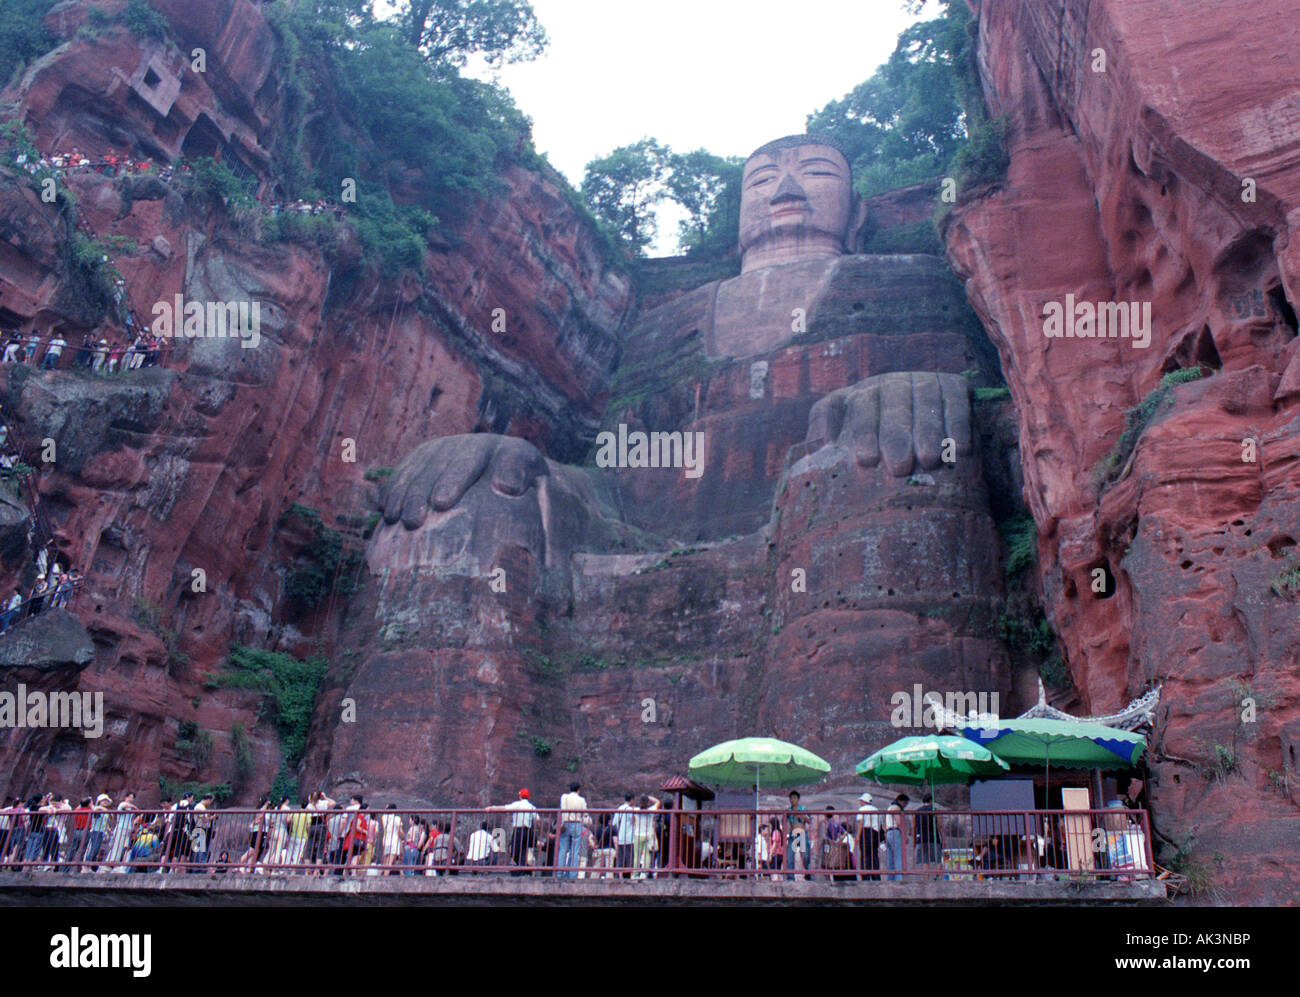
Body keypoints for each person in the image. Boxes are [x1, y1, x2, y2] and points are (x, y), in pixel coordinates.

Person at [487, 788, 536, 876]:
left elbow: (505, 808)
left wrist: (492, 808)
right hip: (527, 830)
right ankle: (524, 869)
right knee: (524, 851)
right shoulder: (531, 806)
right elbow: (537, 819)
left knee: (514, 850)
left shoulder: (518, 804)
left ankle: (524, 869)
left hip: (519, 829)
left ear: (520, 796)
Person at [556, 781, 587, 879]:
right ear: (578, 790)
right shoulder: (581, 800)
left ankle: (559, 873)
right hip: (576, 823)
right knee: (575, 850)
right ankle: (572, 874)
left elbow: (562, 809)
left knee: (563, 850)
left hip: (565, 823)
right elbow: (584, 812)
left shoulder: (564, 797)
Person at [631, 794, 661, 879]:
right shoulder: (651, 810)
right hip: (648, 835)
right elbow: (658, 802)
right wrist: (649, 797)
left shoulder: (636, 810)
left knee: (637, 855)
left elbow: (632, 819)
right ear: (648, 803)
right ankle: (644, 873)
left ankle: (635, 873)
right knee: (647, 855)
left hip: (638, 834)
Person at [856, 791, 883, 881]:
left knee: (865, 855)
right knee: (874, 855)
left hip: (866, 831)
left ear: (864, 801)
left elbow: (861, 823)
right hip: (875, 833)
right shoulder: (876, 810)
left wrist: (858, 836)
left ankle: (865, 876)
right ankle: (876, 876)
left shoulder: (862, 810)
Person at [914, 792, 941, 877]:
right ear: (931, 800)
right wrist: (943, 838)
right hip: (934, 837)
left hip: (922, 838)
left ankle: (926, 878)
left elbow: (914, 826)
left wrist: (914, 841)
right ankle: (937, 876)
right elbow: (940, 825)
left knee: (925, 860)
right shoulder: (935, 810)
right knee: (938, 859)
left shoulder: (917, 811)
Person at [785, 790, 811, 879]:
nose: (792, 800)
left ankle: (808, 873)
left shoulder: (803, 809)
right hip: (793, 835)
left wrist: (802, 816)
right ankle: (790, 877)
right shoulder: (789, 810)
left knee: (806, 856)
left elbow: (809, 820)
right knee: (790, 857)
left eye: (794, 798)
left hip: (802, 834)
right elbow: (784, 820)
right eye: (791, 798)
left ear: (798, 799)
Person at [611, 791, 636, 877]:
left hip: (620, 837)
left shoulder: (619, 808)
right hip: (629, 838)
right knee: (629, 858)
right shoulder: (629, 809)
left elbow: (614, 823)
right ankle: (629, 876)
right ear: (632, 800)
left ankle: (618, 876)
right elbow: (633, 821)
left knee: (620, 859)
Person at [885, 793, 909, 881]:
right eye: (905, 804)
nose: (905, 806)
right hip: (895, 832)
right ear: (902, 801)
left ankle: (890, 879)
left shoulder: (889, 807)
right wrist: (904, 835)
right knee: (898, 856)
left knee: (891, 858)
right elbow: (899, 822)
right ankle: (899, 878)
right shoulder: (896, 808)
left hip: (889, 832)